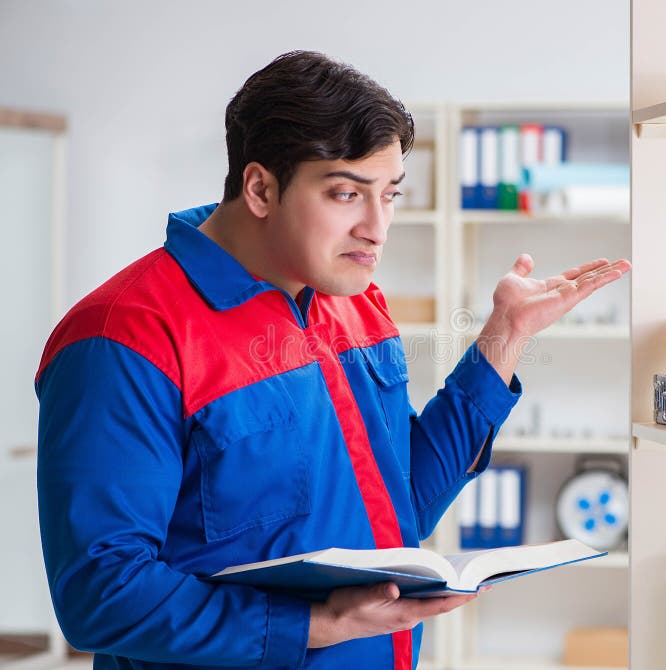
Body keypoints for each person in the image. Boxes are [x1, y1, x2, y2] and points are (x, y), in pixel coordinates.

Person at [35, 50, 630, 670]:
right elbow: (101, 594)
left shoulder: (353, 302)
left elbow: (399, 509)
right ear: (261, 188)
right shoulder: (124, 338)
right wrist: (314, 625)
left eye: (391, 195)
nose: (377, 228)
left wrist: (503, 338)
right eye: (347, 194)